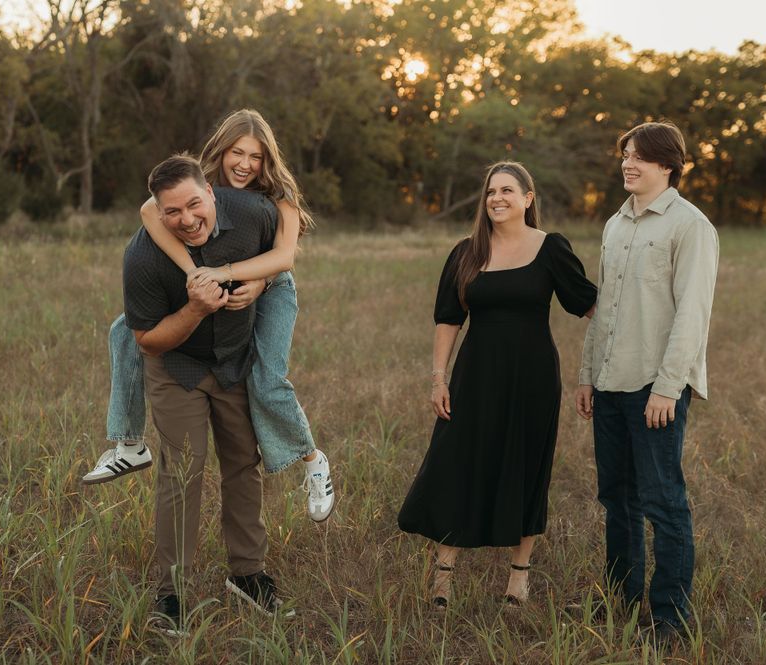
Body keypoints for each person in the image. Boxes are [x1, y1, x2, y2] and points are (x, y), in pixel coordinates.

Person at [83, 109, 335, 523]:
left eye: (256, 157)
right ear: (221, 150)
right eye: (237, 152)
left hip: (270, 286)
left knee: (267, 380)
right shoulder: (198, 184)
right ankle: (129, 443)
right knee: (125, 328)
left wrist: (251, 281)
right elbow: (148, 212)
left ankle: (312, 460)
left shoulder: (279, 194)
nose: (245, 164)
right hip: (218, 279)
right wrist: (194, 274)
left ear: (267, 160)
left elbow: (284, 257)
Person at [397, 161, 597, 608]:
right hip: (475, 376)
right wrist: (438, 379)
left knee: (527, 469)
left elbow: (589, 306)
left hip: (533, 379)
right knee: (456, 463)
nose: (497, 198)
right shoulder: (466, 252)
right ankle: (443, 576)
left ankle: (518, 578)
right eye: (491, 191)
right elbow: (448, 319)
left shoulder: (550, 247)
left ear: (528, 198)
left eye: (507, 190)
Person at [123, 153, 292, 631]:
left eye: (194, 204)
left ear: (212, 193)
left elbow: (284, 255)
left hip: (235, 360)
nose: (187, 219)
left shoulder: (253, 214)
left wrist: (260, 280)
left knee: (243, 462)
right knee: (183, 469)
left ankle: (248, 574)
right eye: (172, 211)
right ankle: (171, 592)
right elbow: (147, 341)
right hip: (177, 365)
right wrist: (195, 310)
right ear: (158, 212)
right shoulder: (142, 257)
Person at [574, 121, 718, 645]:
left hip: (655, 388)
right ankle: (619, 597)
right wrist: (587, 375)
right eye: (625, 155)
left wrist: (667, 388)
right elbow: (604, 309)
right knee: (617, 498)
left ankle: (669, 618)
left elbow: (692, 315)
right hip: (610, 383)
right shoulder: (616, 224)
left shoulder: (690, 226)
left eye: (639, 157)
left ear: (667, 165)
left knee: (663, 502)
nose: (627, 164)